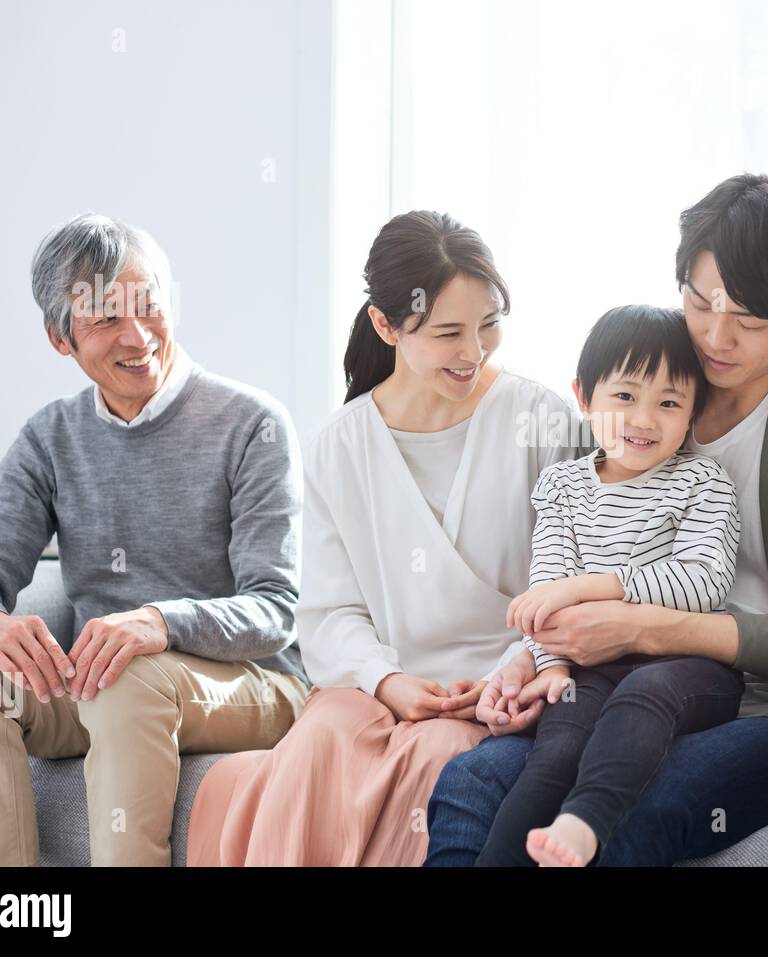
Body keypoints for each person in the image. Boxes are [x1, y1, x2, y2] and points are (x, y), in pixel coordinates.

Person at [427, 174, 768, 866]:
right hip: (605, 683)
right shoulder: (644, 379)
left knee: (633, 809)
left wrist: (639, 624)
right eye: (701, 302)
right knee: (470, 783)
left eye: (752, 320)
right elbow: (571, 564)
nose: (715, 335)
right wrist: (529, 658)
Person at [186, 210, 582, 865]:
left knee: (438, 757)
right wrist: (386, 678)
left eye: (488, 325)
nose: (475, 351)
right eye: (449, 332)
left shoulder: (540, 420)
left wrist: (519, 665)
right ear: (385, 325)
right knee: (316, 745)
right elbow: (330, 611)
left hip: (503, 690)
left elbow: (573, 578)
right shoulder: (342, 443)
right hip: (377, 685)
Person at [0, 213, 307, 866]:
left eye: (149, 307)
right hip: (102, 684)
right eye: (106, 320)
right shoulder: (49, 439)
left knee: (128, 678)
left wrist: (159, 621)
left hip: (250, 683)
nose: (138, 337)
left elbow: (274, 608)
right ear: (60, 337)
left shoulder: (253, 425)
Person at [476, 305, 744, 866]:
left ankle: (584, 823)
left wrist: (588, 588)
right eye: (624, 397)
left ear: (694, 410)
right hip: (587, 664)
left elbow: (704, 583)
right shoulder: (563, 486)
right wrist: (550, 664)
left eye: (669, 403)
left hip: (686, 663)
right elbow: (546, 583)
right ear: (584, 396)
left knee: (643, 696)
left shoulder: (702, 480)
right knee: (558, 748)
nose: (644, 420)